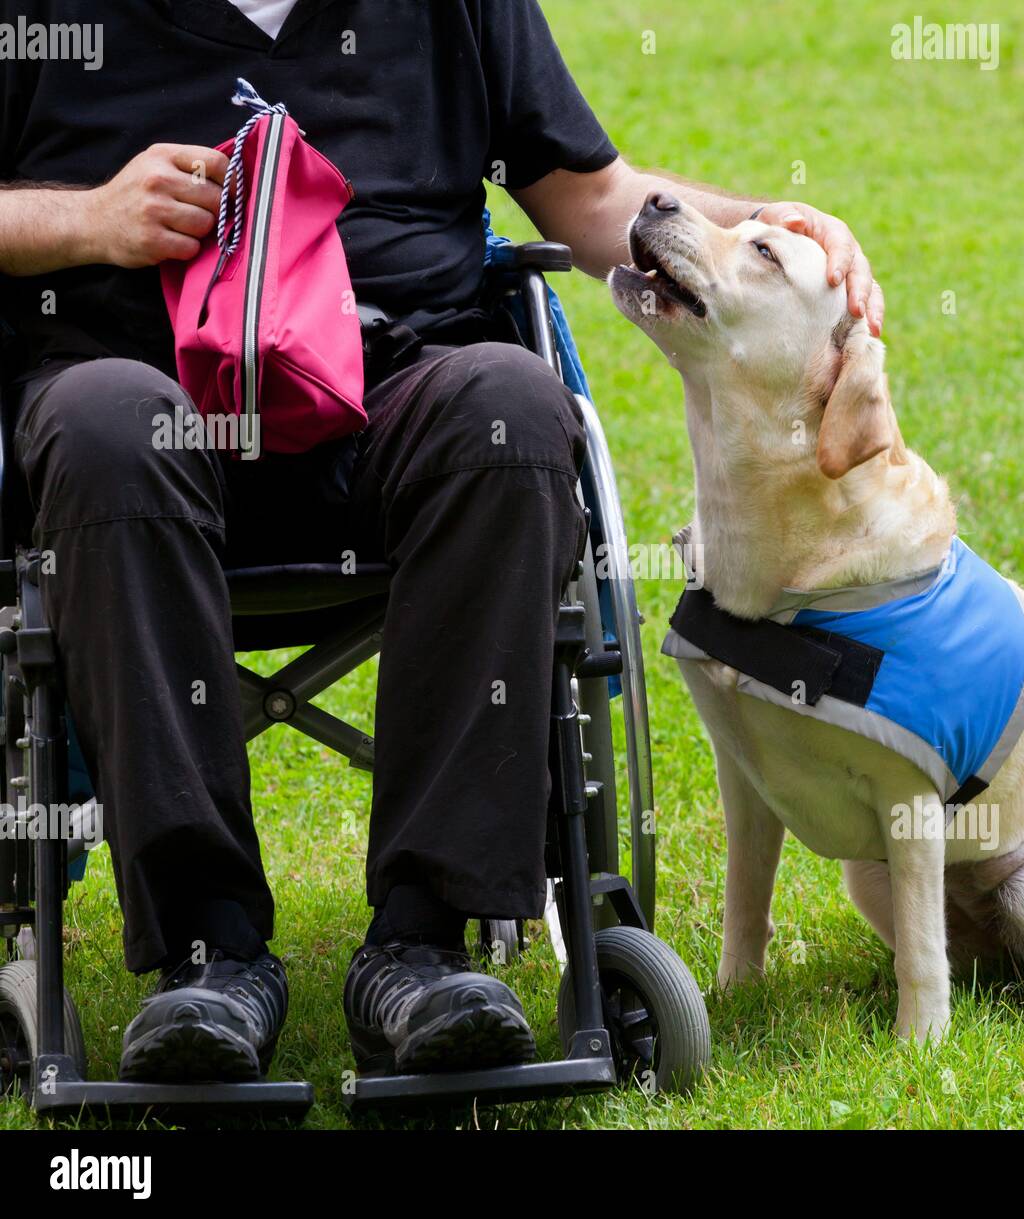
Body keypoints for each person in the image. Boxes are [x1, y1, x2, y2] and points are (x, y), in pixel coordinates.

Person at [0, 0, 884, 1081]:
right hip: (141, 409)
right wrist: (90, 218)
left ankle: (421, 948)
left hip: (396, 389)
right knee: (105, 429)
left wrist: (774, 221)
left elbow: (593, 197)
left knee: (508, 403)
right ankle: (208, 956)